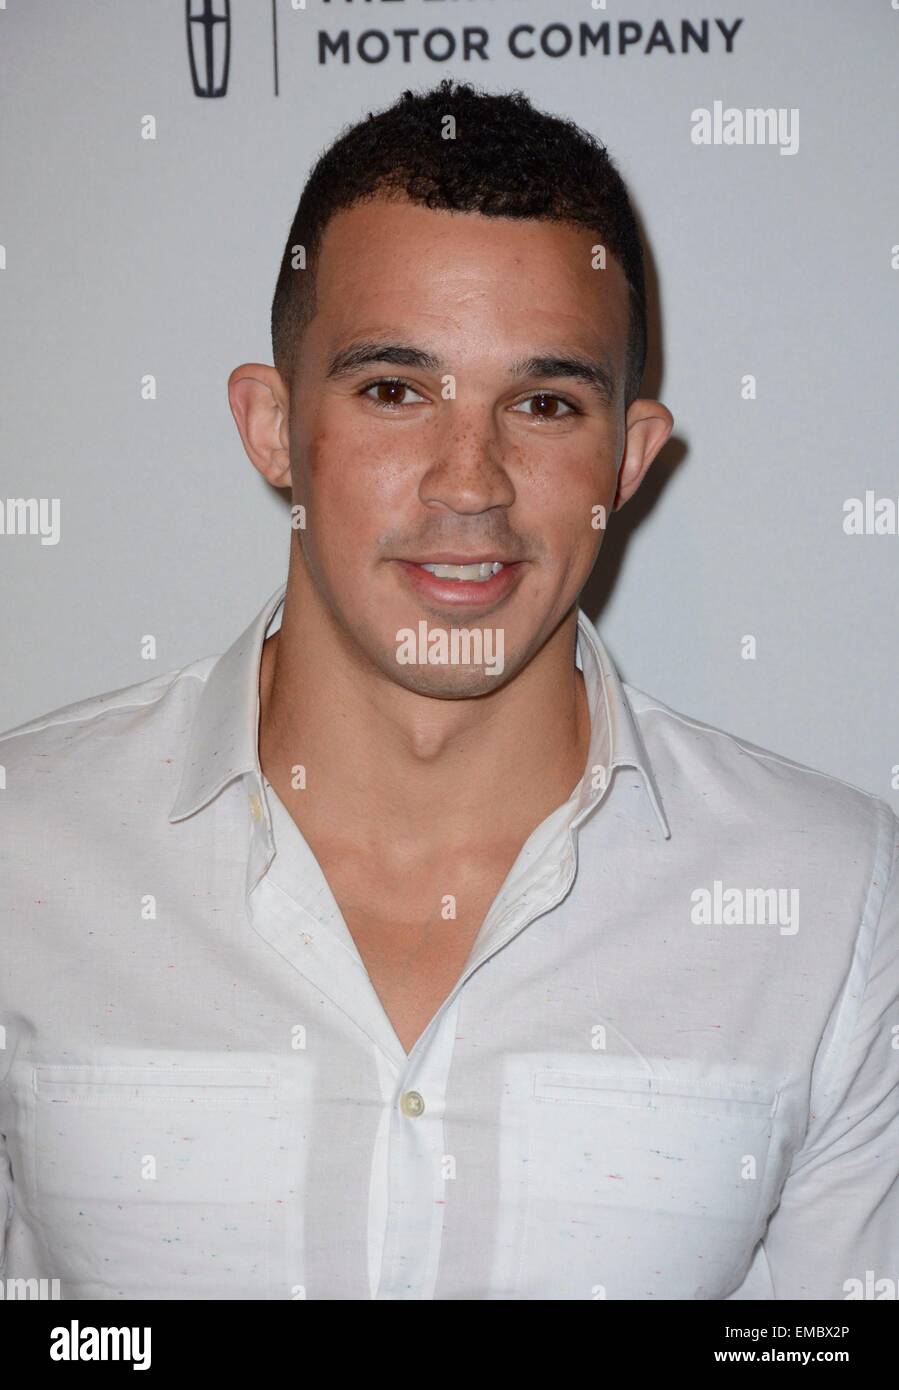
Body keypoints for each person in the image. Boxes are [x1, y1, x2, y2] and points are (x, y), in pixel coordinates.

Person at [1, 79, 896, 1302]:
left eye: (541, 403)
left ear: (626, 459)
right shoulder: (25, 846)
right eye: (392, 390)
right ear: (270, 428)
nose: (467, 482)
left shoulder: (827, 900)